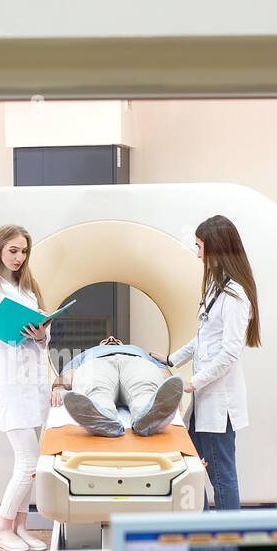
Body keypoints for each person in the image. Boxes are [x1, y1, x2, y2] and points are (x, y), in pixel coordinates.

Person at [149, 215, 260, 511]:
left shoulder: (235, 296)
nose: (197, 253)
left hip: (219, 403)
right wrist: (172, 359)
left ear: (217, 247)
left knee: (221, 476)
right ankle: (203, 526)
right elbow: (202, 339)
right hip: (204, 399)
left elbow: (229, 353)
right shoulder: (216, 288)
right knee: (194, 469)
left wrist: (192, 383)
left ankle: (228, 537)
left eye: (200, 246)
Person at [0, 224, 52, 551]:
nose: (19, 257)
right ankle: (2, 528)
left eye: (24, 251)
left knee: (31, 465)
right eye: (13, 250)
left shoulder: (29, 290)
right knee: (28, 461)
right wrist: (16, 331)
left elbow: (46, 340)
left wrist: (41, 334)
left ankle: (20, 527)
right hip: (8, 382)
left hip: (34, 382)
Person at [48, 337, 184, 437]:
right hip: (97, 364)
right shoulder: (87, 353)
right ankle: (104, 420)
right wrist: (59, 387)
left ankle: (147, 419)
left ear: (123, 344)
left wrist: (173, 395)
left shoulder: (140, 351)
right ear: (99, 345)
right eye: (105, 340)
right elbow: (70, 372)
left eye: (117, 340)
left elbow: (162, 370)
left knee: (145, 389)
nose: (111, 338)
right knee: (96, 390)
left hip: (135, 362)